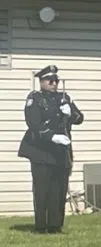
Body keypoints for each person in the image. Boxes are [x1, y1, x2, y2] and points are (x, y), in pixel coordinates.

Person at [18, 65, 84, 233]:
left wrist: (70, 114)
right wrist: (51, 136)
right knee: (42, 189)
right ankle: (41, 226)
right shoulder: (35, 98)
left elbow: (79, 118)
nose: (54, 83)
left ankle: (55, 225)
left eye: (56, 80)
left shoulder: (64, 98)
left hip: (60, 151)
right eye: (50, 80)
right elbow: (33, 123)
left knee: (59, 189)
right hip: (41, 150)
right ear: (42, 82)